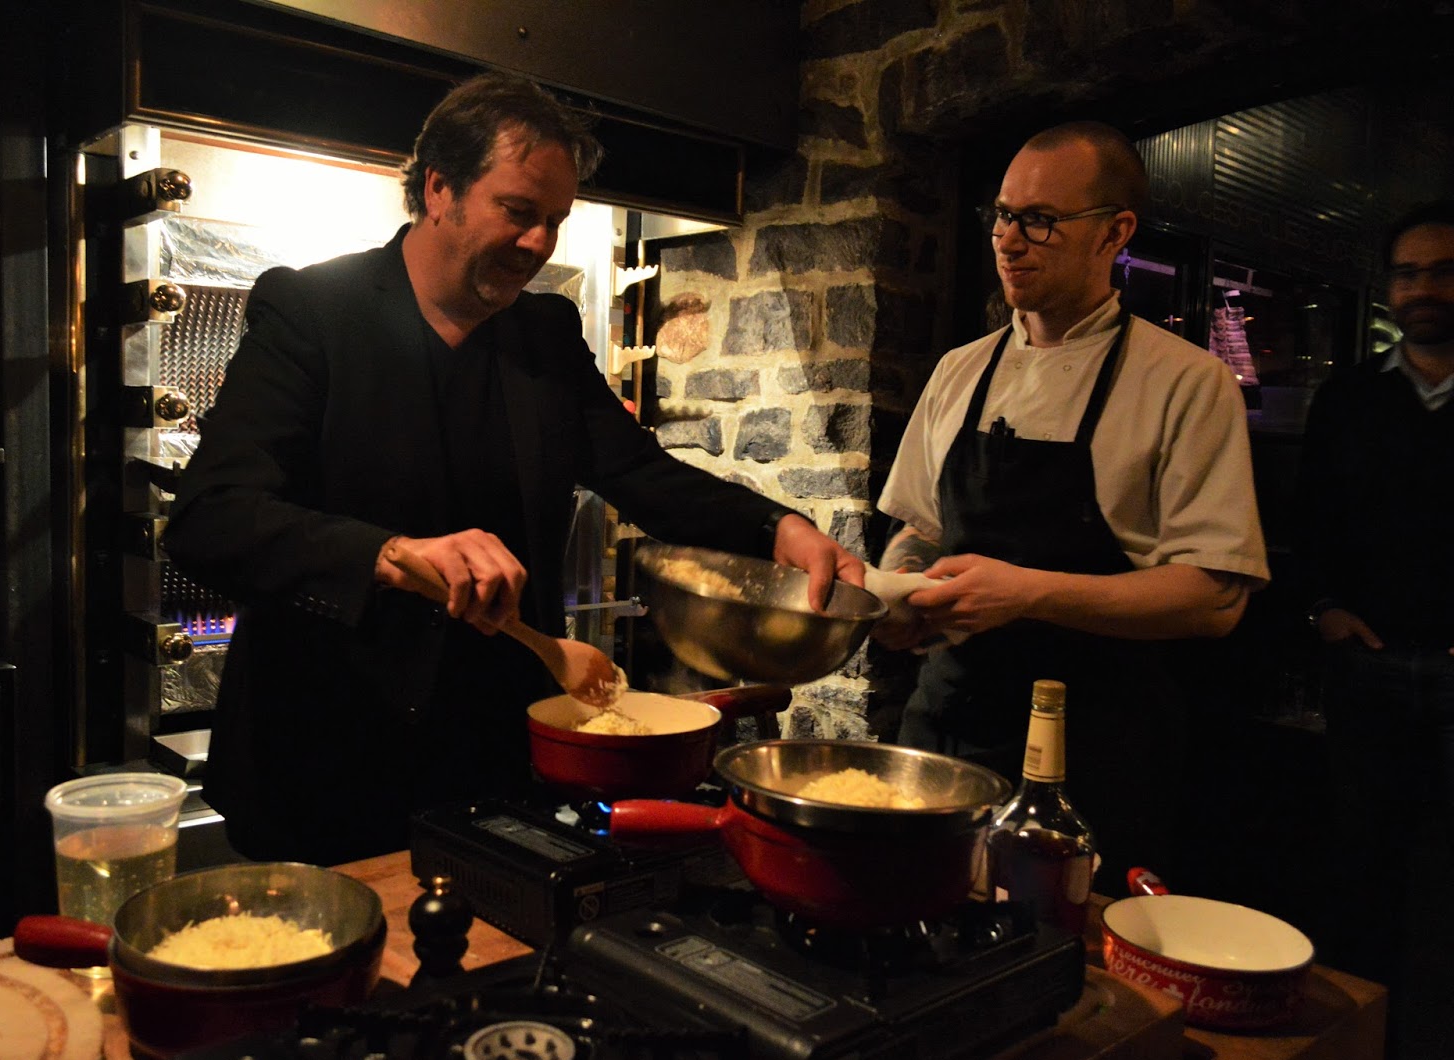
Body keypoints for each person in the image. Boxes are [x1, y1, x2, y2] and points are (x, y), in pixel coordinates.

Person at [161, 72, 862, 866]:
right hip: (322, 762)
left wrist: (780, 526)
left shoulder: (544, 334)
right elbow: (209, 516)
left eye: (556, 221)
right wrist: (391, 555)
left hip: (492, 763)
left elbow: (641, 472)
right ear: (439, 189)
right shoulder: (314, 313)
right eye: (519, 212)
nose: (539, 244)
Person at [873, 121, 1269, 893]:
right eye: (1002, 215)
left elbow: (1215, 596)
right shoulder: (960, 370)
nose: (1008, 241)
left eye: (1040, 220)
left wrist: (1027, 593)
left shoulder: (1185, 381)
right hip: (948, 723)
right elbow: (918, 526)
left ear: (1114, 232)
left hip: (1097, 750)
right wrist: (898, 591)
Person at [1293, 200, 1454, 997]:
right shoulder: (1350, 398)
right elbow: (1308, 519)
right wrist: (1323, 607)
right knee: (1362, 866)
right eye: (1409, 272)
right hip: (1369, 664)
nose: (1425, 287)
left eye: (1443, 271)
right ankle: (1364, 1029)